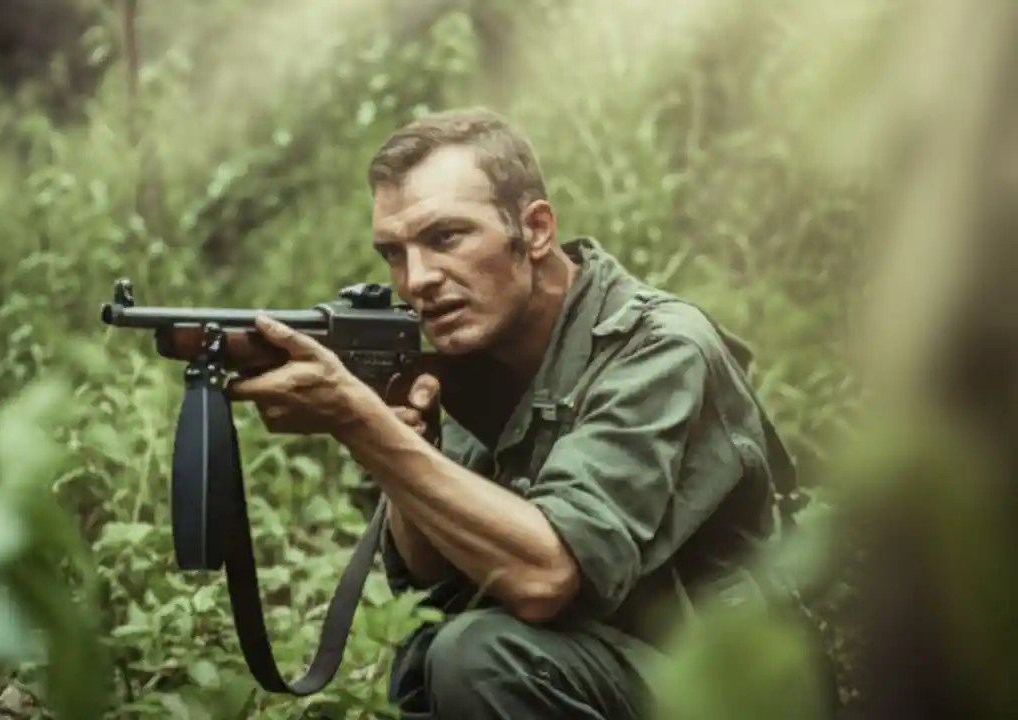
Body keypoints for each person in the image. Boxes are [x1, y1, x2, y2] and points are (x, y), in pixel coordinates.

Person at [228, 107, 795, 719]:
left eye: (446, 238)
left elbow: (544, 577)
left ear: (536, 230)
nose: (416, 279)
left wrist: (360, 424)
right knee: (433, 651)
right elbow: (431, 579)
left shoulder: (661, 348)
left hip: (729, 694)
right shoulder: (479, 351)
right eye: (394, 253)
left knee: (477, 657)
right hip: (611, 666)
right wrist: (400, 440)